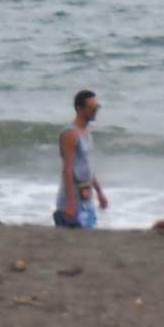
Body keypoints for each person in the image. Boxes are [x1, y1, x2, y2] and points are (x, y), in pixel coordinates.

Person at [54, 89, 107, 229]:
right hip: (71, 202)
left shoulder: (87, 132)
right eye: (92, 108)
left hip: (86, 200)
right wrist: (71, 203)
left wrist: (100, 193)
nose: (95, 111)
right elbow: (67, 170)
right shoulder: (71, 134)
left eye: (97, 107)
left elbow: (87, 167)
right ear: (79, 109)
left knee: (89, 237)